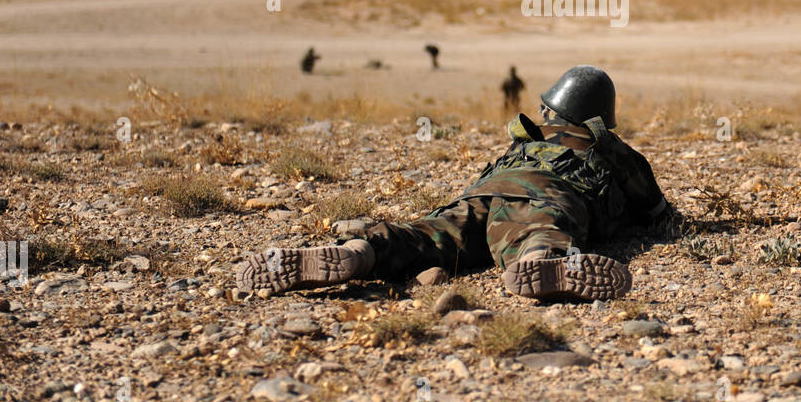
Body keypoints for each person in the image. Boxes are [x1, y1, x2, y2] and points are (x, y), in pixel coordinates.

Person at [236, 65, 673, 301]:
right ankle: (541, 260)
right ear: (601, 115)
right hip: (548, 198)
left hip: (481, 197)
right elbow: (659, 215)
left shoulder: (526, 139)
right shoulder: (609, 149)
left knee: (424, 235)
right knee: (539, 232)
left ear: (550, 109)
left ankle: (357, 253)